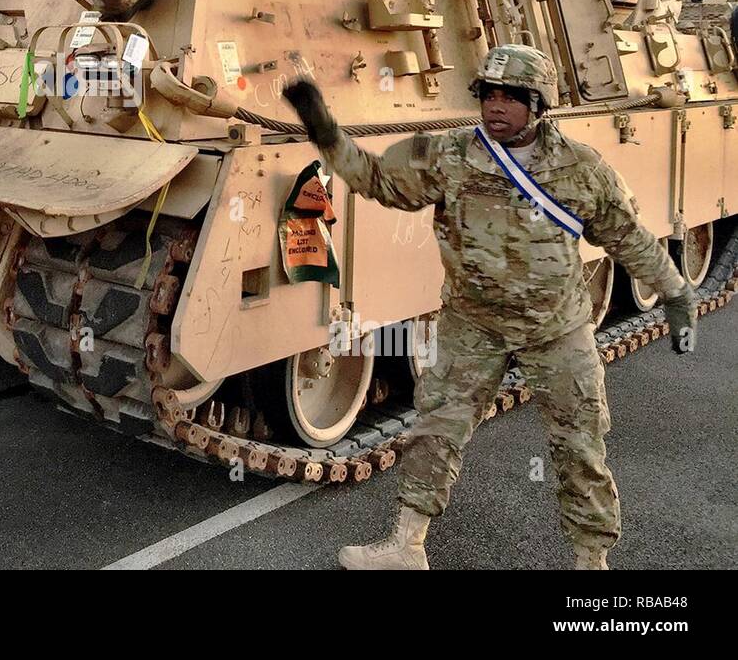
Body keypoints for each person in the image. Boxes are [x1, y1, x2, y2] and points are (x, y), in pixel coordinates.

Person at [282, 44, 698, 571]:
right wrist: (322, 127)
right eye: (489, 94)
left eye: (512, 97)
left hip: (557, 330)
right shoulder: (451, 155)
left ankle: (591, 563)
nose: (496, 107)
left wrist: (677, 293)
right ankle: (406, 545)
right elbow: (377, 180)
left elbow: (627, 237)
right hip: (472, 323)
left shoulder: (579, 167)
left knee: (580, 446)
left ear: (539, 103)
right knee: (436, 428)